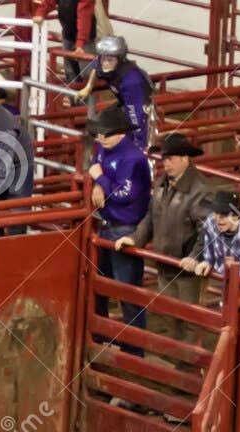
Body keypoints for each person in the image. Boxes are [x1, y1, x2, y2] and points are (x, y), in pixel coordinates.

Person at [112, 133, 217, 348]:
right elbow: (151, 217)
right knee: (170, 314)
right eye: (164, 159)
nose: (166, 163)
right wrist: (135, 238)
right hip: (167, 262)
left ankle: (186, 367)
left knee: (188, 320)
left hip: (186, 269)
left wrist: (194, 257)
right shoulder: (163, 184)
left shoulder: (200, 191)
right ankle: (182, 365)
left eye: (171, 159)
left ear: (185, 158)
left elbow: (208, 231)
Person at [89, 103, 151, 352]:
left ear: (121, 133)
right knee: (100, 288)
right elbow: (96, 167)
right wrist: (98, 184)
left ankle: (134, 351)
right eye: (99, 133)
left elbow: (125, 193)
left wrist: (100, 179)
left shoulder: (134, 158)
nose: (100, 138)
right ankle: (101, 338)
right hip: (106, 225)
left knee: (127, 291)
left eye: (105, 133)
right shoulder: (104, 148)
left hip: (125, 227)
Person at [77, 34, 152, 147]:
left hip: (138, 104)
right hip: (123, 102)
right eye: (103, 59)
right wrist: (88, 87)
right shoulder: (102, 61)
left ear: (120, 59)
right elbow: (96, 66)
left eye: (110, 60)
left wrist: (139, 145)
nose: (105, 63)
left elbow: (135, 114)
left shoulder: (131, 81)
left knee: (122, 132)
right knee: (99, 124)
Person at [33, 0, 96, 82]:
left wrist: (80, 42)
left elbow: (84, 16)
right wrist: (40, 13)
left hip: (85, 38)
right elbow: (49, 2)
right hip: (69, 35)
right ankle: (73, 94)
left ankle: (88, 93)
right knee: (71, 73)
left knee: (86, 74)